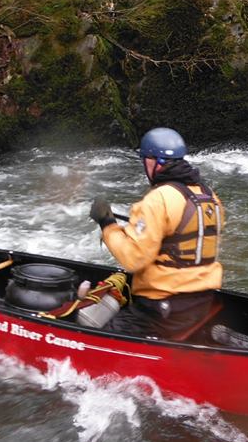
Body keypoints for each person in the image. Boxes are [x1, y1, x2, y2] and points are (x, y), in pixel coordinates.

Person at [89, 127, 225, 339]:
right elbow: (176, 242)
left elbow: (133, 259)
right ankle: (210, 337)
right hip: (202, 301)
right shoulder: (209, 197)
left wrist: (107, 224)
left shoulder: (158, 199)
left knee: (99, 337)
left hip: (163, 307)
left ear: (154, 162)